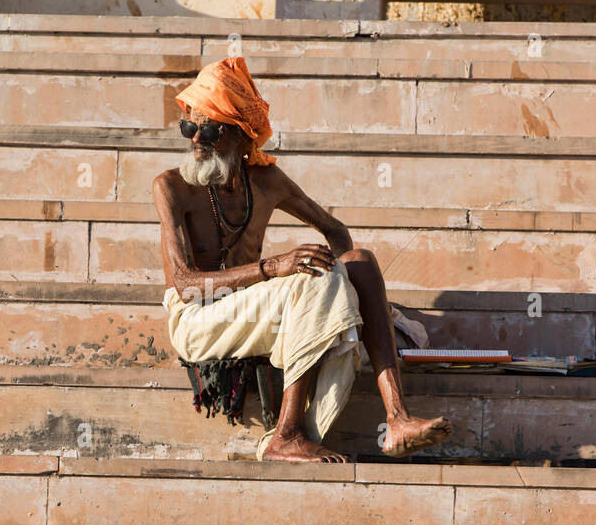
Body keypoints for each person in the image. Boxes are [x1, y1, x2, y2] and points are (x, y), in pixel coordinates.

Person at [152, 56, 451, 463]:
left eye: (210, 130)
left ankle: (397, 417)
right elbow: (185, 285)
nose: (195, 141)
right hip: (197, 316)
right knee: (314, 278)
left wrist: (352, 288)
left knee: (359, 261)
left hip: (255, 308)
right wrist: (271, 268)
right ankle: (285, 436)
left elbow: (336, 231)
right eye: (190, 127)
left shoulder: (267, 181)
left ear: (243, 136)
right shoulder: (171, 186)